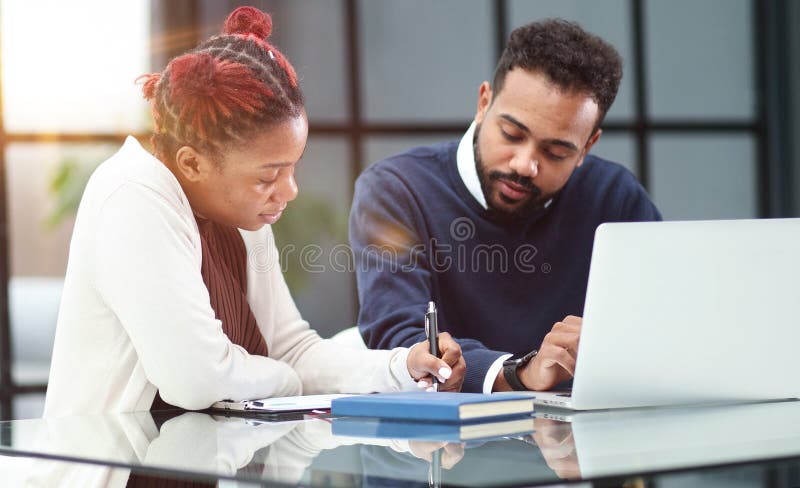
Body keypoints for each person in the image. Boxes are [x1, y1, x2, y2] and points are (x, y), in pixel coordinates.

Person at [44, 6, 465, 418]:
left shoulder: (239, 214)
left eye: (292, 167)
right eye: (268, 177)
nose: (289, 191)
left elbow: (291, 348)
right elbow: (198, 380)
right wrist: (285, 378)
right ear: (192, 163)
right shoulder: (132, 196)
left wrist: (402, 366)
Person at [350, 19, 661, 394]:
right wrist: (519, 374)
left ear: (588, 146)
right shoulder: (397, 190)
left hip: (579, 439)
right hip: (444, 443)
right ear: (484, 103)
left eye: (556, 152)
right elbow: (399, 343)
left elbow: (665, 324)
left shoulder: (614, 195)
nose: (524, 164)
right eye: (512, 135)